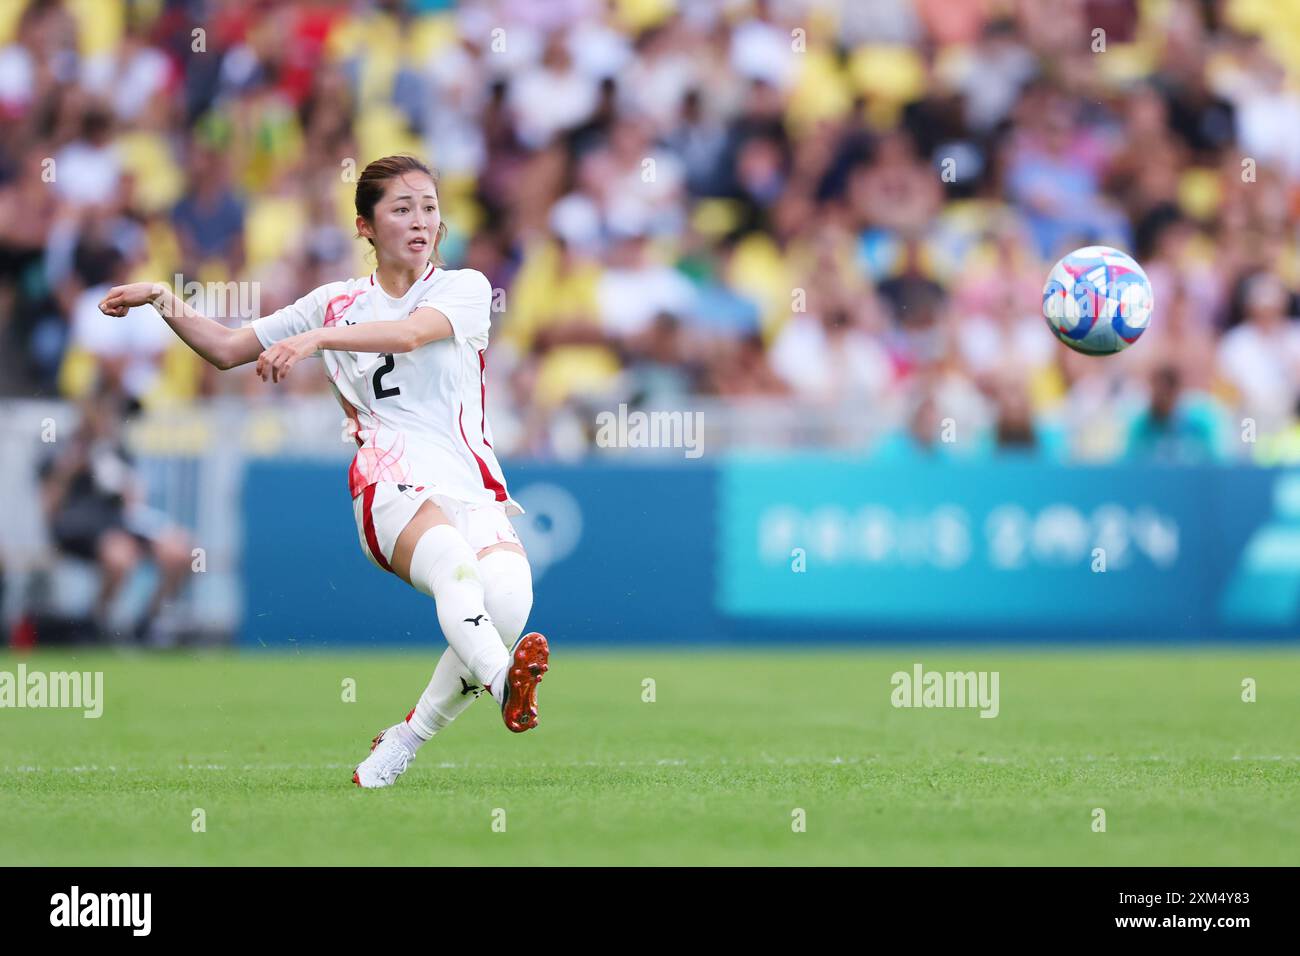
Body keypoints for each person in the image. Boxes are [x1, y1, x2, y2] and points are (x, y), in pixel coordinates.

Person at [98, 155, 548, 788]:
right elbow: (229, 350)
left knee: (508, 603)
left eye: (428, 207)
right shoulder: (333, 300)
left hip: (472, 487)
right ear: (365, 226)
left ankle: (404, 739)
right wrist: (163, 299)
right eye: (401, 209)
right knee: (456, 572)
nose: (420, 221)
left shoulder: (465, 288)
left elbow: (410, 335)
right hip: (389, 482)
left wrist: (316, 341)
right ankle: (506, 683)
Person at [38, 389, 192, 644]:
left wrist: (124, 484)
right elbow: (50, 509)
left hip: (121, 524)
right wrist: (73, 467)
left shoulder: (117, 453)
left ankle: (147, 624)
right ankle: (96, 625)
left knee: (180, 553)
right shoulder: (58, 452)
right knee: (119, 556)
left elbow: (135, 505)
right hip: (78, 528)